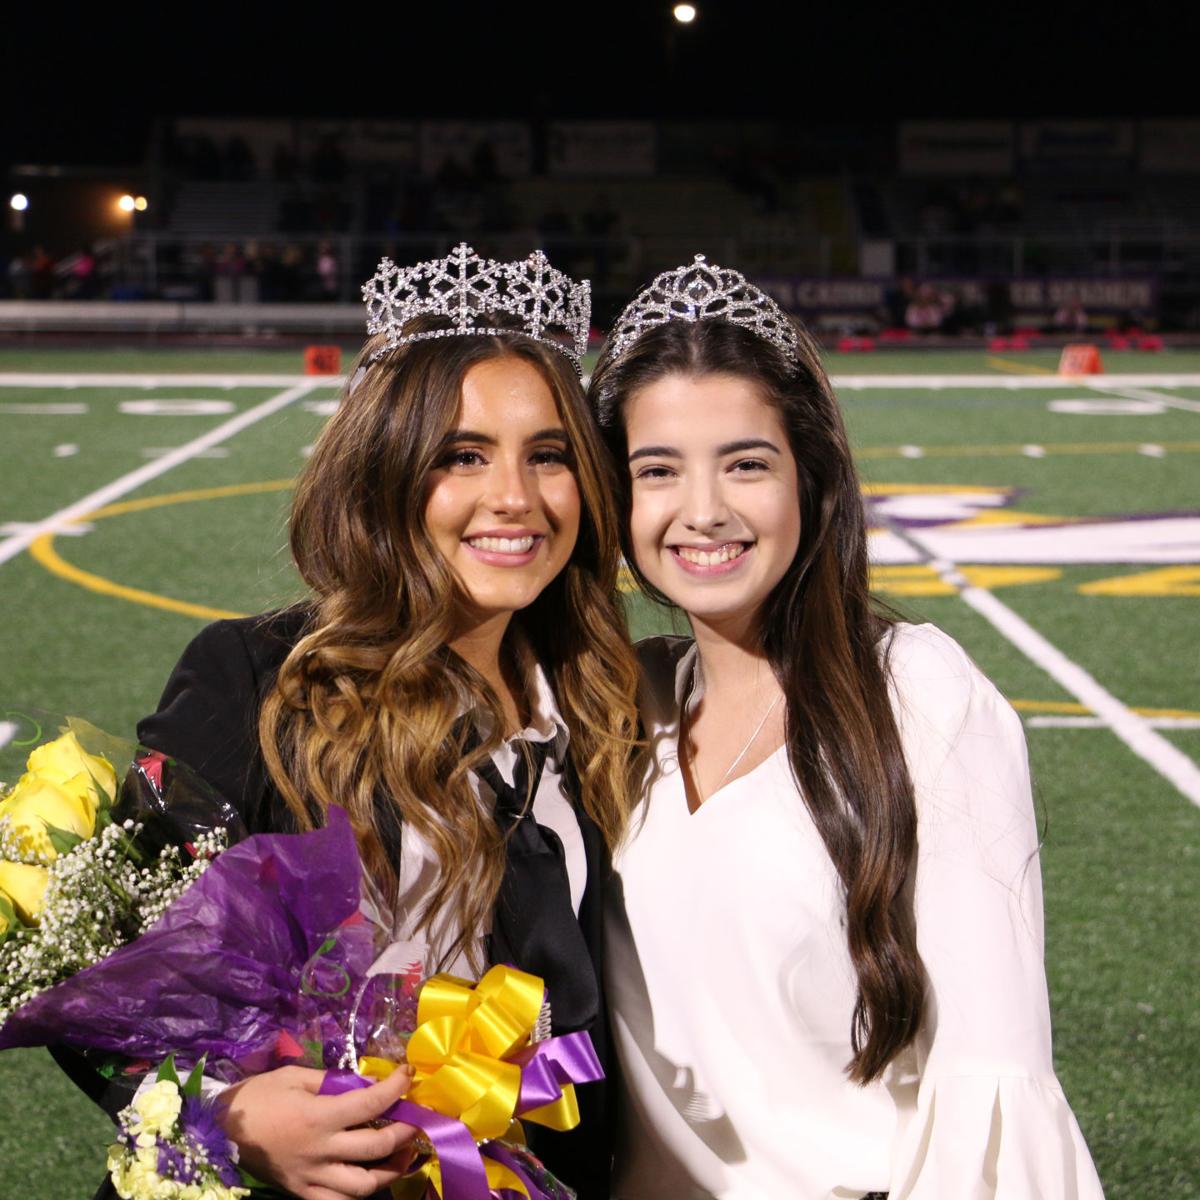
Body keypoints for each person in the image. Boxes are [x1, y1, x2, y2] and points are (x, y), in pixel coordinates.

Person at [55, 244, 639, 1200]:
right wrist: (229, 1117)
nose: (516, 499)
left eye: (550, 455)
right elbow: (108, 979)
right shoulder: (253, 680)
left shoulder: (597, 708)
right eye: (461, 456)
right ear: (383, 471)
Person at [589, 255, 1105, 1199]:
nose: (702, 512)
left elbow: (991, 1078)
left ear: (811, 480)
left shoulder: (916, 693)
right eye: (657, 470)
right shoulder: (623, 706)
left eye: (746, 464)